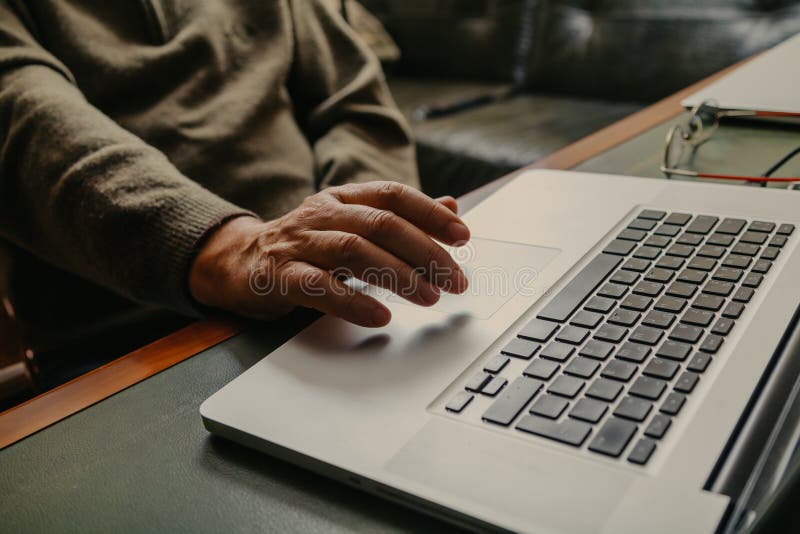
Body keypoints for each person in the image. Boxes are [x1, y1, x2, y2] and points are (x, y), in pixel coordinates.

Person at [0, 0, 470, 335]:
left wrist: (344, 239)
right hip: (135, 339)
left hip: (333, 305)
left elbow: (352, 101)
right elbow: (24, 119)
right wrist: (232, 251)